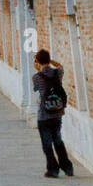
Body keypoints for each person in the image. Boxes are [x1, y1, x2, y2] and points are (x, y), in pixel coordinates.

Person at [32, 49, 74, 178]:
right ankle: (67, 167)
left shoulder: (37, 77)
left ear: (37, 61)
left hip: (44, 115)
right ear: (48, 59)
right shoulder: (58, 73)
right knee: (58, 140)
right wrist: (49, 61)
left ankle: (53, 169)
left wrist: (39, 68)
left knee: (47, 143)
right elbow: (60, 66)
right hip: (57, 113)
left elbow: (36, 89)